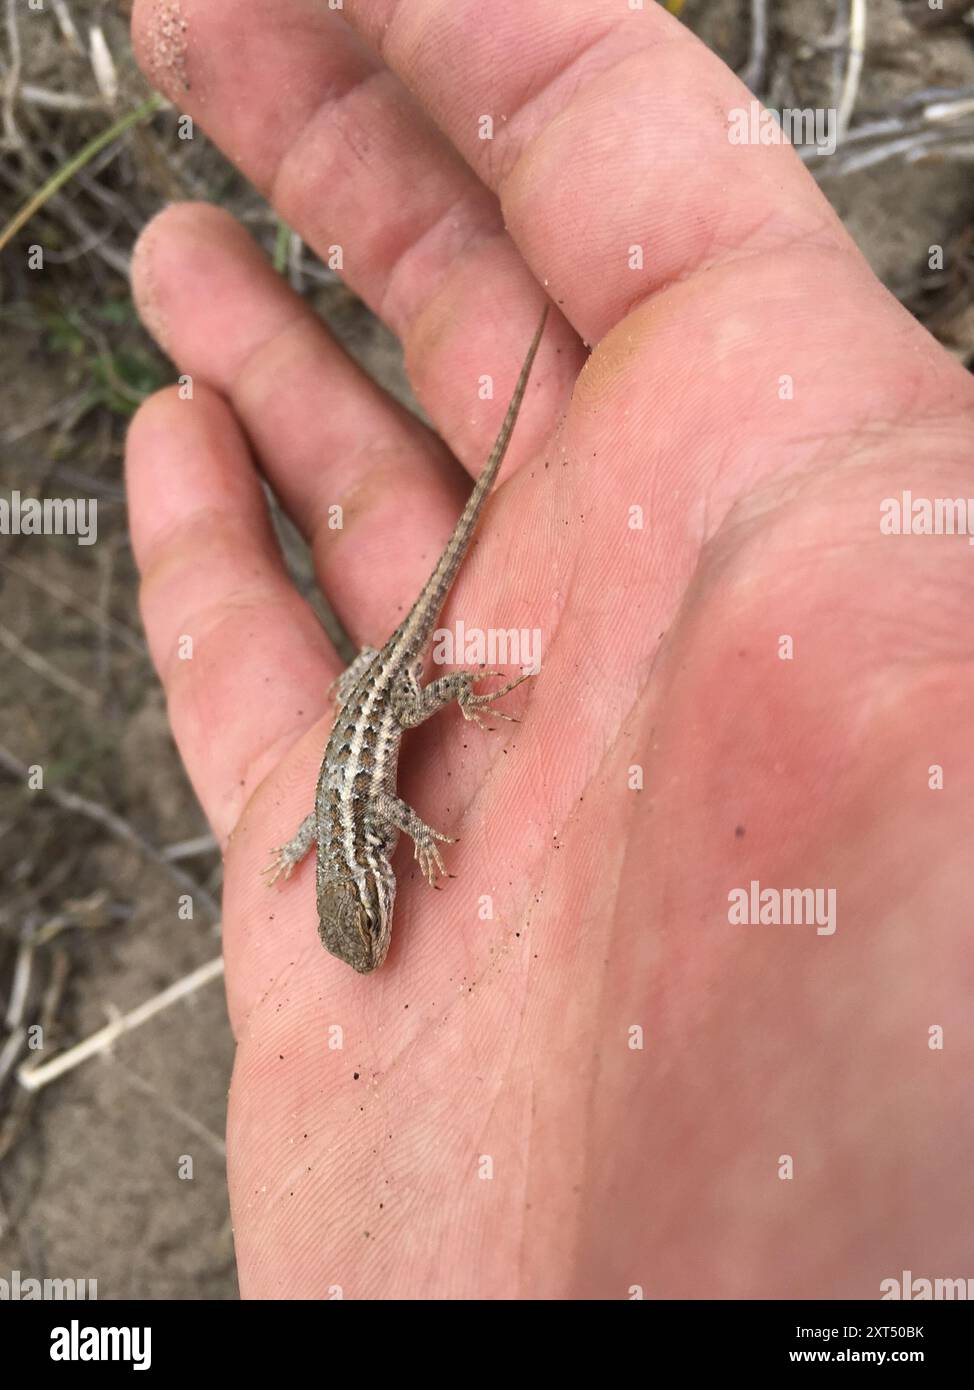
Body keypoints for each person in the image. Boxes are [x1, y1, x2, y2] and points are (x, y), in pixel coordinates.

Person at [126, 0, 972, 1299]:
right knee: (397, 699)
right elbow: (336, 831)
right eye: (364, 923)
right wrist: (367, 826)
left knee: (426, 689)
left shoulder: (364, 846)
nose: (377, 927)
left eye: (368, 925)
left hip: (381, 695)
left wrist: (431, 733)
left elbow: (367, 817)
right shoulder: (346, 855)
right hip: (363, 702)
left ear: (367, 896)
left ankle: (453, 673)